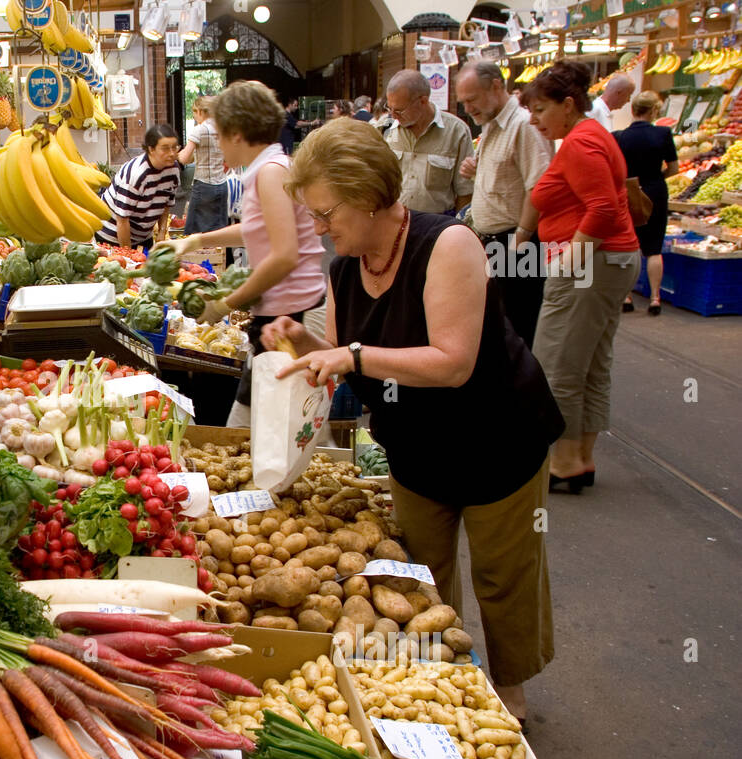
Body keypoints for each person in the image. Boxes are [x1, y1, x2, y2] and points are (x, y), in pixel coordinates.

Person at [264, 118, 563, 720]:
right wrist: (303, 337)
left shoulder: (448, 243)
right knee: (417, 579)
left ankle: (510, 690)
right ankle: (445, 683)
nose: (320, 230)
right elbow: (350, 356)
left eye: (327, 214)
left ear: (371, 197)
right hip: (416, 447)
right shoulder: (346, 267)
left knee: (504, 576)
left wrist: (347, 354)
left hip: (496, 436)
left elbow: (452, 362)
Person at [157, 80, 327, 428]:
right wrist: (192, 242)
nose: (217, 145)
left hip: (294, 317)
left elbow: (284, 255)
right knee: (258, 426)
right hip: (281, 314)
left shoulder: (269, 173)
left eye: (218, 135)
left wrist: (225, 304)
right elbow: (255, 229)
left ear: (236, 133)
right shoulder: (267, 168)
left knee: (286, 430)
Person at [525, 60, 641, 493]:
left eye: (541, 109)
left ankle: (566, 460)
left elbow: (603, 209)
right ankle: (580, 456)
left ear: (568, 104)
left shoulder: (579, 143)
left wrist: (569, 261)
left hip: (591, 266)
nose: (535, 119)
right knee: (591, 363)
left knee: (558, 363)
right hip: (611, 262)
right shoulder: (594, 135)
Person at [455, 59, 552, 346]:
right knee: (497, 326)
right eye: (463, 102)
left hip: (515, 243)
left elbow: (539, 186)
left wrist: (520, 240)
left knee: (517, 330)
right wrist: (478, 170)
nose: (467, 108)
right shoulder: (491, 125)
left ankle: (520, 390)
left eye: (472, 99)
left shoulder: (523, 125)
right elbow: (507, 180)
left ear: (497, 86)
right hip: (495, 243)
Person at [614, 90, 678, 316]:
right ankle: (655, 298)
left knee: (629, 244)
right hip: (656, 191)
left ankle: (627, 296)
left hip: (629, 192)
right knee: (653, 248)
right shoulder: (663, 134)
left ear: (632, 110)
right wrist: (657, 178)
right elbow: (673, 168)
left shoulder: (619, 136)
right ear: (654, 111)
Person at [384, 69, 474, 214]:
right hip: (395, 221)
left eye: (399, 111)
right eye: (389, 108)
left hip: (437, 223)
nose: (393, 116)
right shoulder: (386, 128)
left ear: (423, 101)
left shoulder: (456, 131)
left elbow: (465, 191)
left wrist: (456, 227)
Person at [95, 124, 182, 251]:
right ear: (151, 149)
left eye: (175, 147)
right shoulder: (136, 175)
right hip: (113, 235)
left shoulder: (173, 170)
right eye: (165, 149)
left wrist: (162, 232)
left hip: (143, 237)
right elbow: (122, 220)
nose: (172, 153)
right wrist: (129, 254)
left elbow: (166, 204)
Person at [177, 96, 228, 235]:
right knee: (218, 230)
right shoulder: (222, 128)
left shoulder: (200, 130)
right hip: (222, 184)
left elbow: (185, 157)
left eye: (194, 112)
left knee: (195, 231)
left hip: (204, 185)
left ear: (200, 111)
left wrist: (176, 153)